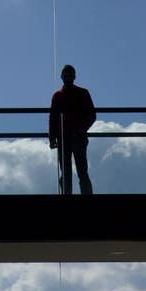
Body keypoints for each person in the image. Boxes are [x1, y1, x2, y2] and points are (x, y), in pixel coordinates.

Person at [49, 64, 95, 195]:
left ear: (74, 77)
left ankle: (77, 194)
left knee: (80, 171)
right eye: (66, 75)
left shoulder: (80, 93)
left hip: (74, 137)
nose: (68, 77)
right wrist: (52, 138)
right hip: (65, 138)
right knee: (69, 171)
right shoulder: (59, 95)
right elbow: (53, 118)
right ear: (62, 76)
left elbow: (91, 115)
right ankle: (70, 194)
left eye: (70, 75)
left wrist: (81, 129)